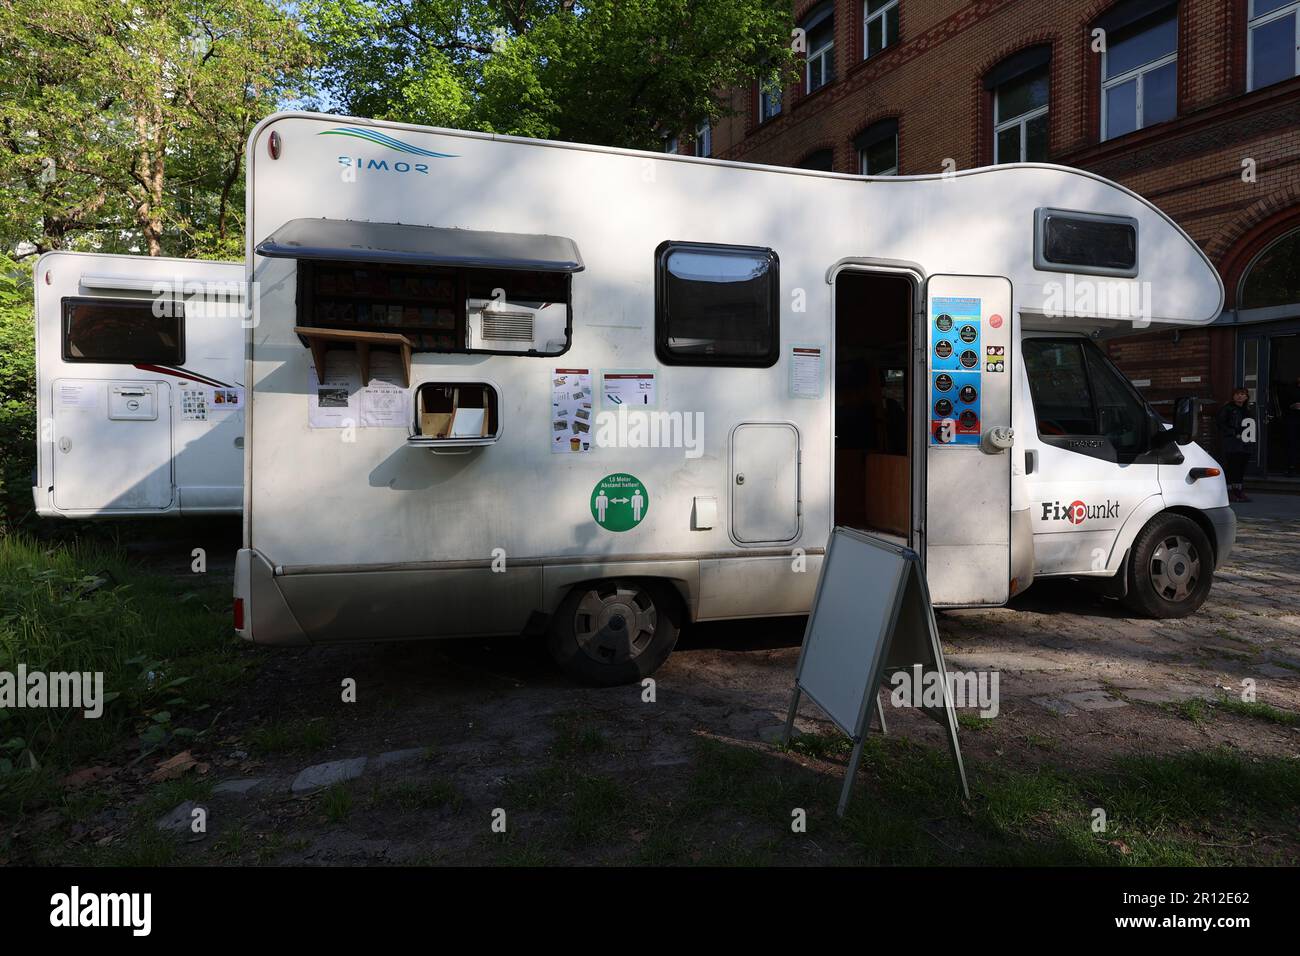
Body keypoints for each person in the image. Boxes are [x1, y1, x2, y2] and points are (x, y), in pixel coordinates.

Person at [1216, 387, 1256, 502]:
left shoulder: (1247, 410)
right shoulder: (1227, 409)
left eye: (1242, 394)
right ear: (1233, 396)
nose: (1240, 396)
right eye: (1237, 394)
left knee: (1241, 467)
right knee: (1231, 466)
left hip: (1245, 443)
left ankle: (1238, 490)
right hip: (1232, 442)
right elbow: (1220, 424)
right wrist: (1233, 433)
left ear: (1246, 397)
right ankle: (1228, 492)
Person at [1278, 376, 1300, 477]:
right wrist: (1291, 406)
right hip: (1292, 419)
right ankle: (1290, 467)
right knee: (1291, 443)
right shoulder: (1289, 389)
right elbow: (1282, 404)